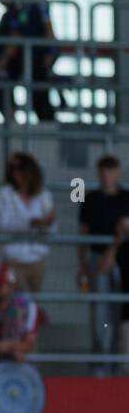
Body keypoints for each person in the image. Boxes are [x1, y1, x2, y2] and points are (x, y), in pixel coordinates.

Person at [77, 154, 129, 367]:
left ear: (118, 172)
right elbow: (83, 235)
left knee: (121, 311)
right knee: (101, 311)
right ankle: (101, 361)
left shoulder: (126, 198)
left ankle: (117, 360)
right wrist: (82, 265)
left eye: (110, 171)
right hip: (99, 258)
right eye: (103, 172)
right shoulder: (90, 199)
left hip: (125, 259)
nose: (106, 176)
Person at [0, 0, 59, 122]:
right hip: (22, 56)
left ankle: (46, 124)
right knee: (3, 88)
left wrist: (51, 52)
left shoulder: (36, 2)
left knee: (39, 94)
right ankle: (12, 120)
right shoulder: (18, 6)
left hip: (36, 55)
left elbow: (48, 28)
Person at [0, 152, 56, 293]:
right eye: (12, 168)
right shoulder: (5, 194)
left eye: (20, 168)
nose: (16, 172)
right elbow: (2, 224)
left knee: (33, 304)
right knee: (22, 301)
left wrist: (46, 223)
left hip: (37, 258)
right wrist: (31, 223)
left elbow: (52, 228)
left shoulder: (43, 195)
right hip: (14, 258)